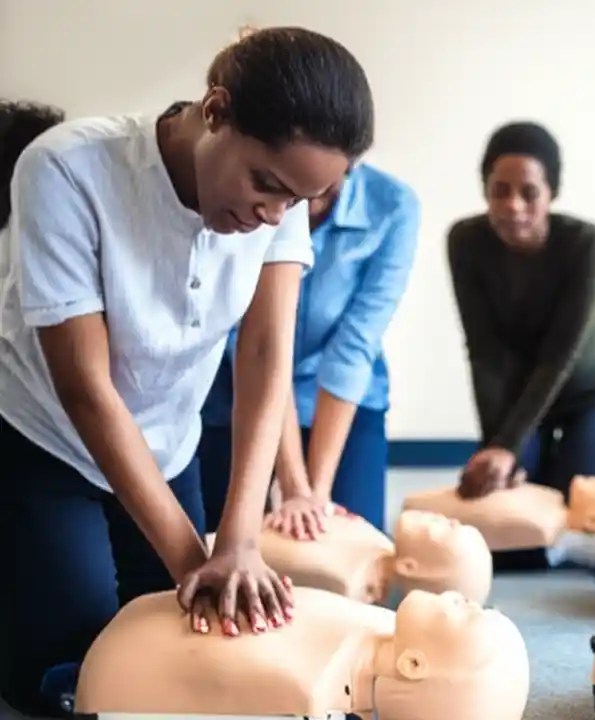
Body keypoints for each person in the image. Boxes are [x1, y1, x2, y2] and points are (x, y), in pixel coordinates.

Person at [0, 27, 374, 717]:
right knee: (67, 673)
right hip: (45, 441)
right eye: (265, 183)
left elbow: (265, 361)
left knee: (189, 647)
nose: (272, 213)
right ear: (216, 111)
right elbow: (86, 385)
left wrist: (236, 542)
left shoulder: (278, 207)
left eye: (294, 201)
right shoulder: (63, 169)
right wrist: (189, 558)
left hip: (169, 441)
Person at [200, 161, 421, 539]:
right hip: (238, 384)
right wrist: (292, 484)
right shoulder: (245, 197)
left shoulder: (393, 205)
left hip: (342, 396)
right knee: (219, 540)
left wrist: (315, 493)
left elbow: (353, 346)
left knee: (351, 542)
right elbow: (256, 342)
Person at [448, 121, 595, 501]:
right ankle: (546, 460)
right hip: (524, 395)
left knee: (578, 499)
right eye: (500, 191)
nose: (513, 206)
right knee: (510, 502)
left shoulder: (584, 242)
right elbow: (483, 352)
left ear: (552, 192)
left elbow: (561, 355)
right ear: (484, 189)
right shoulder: (465, 241)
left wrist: (507, 445)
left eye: (529, 192)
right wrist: (497, 445)